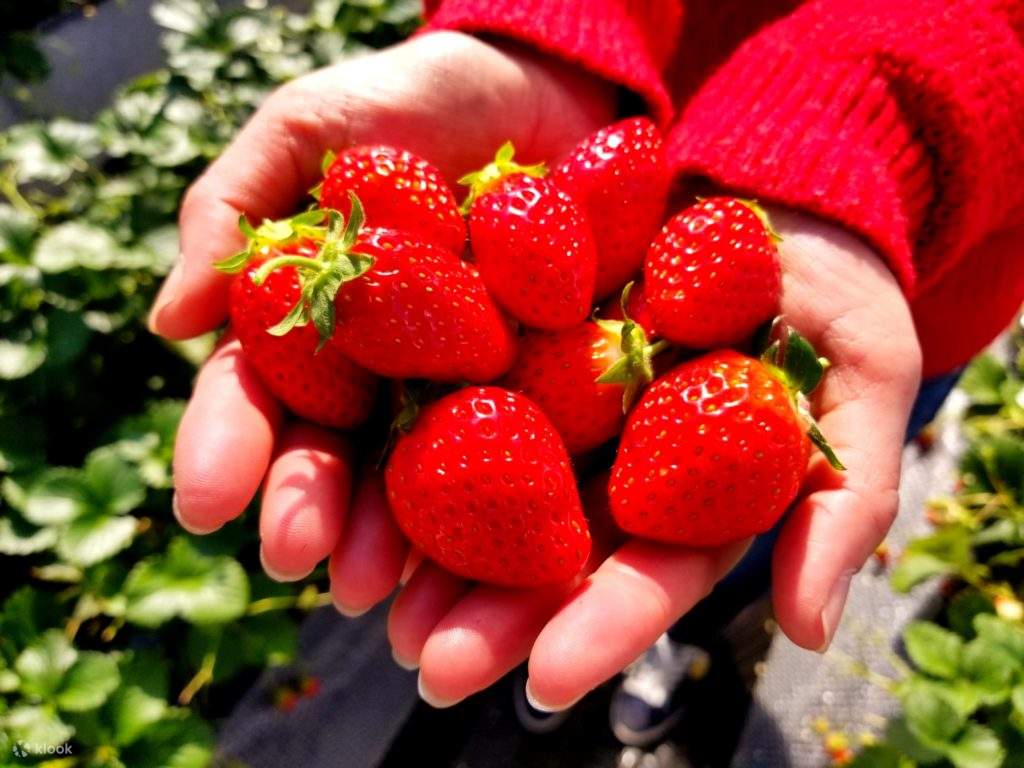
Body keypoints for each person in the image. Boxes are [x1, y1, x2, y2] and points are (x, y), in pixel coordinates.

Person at [148, 0, 1024, 747]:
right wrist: (542, 30)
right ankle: (637, 634)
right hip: (615, 125)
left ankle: (679, 633)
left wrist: (864, 131)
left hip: (924, 239)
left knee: (770, 514)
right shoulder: (454, 297)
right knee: (711, 502)